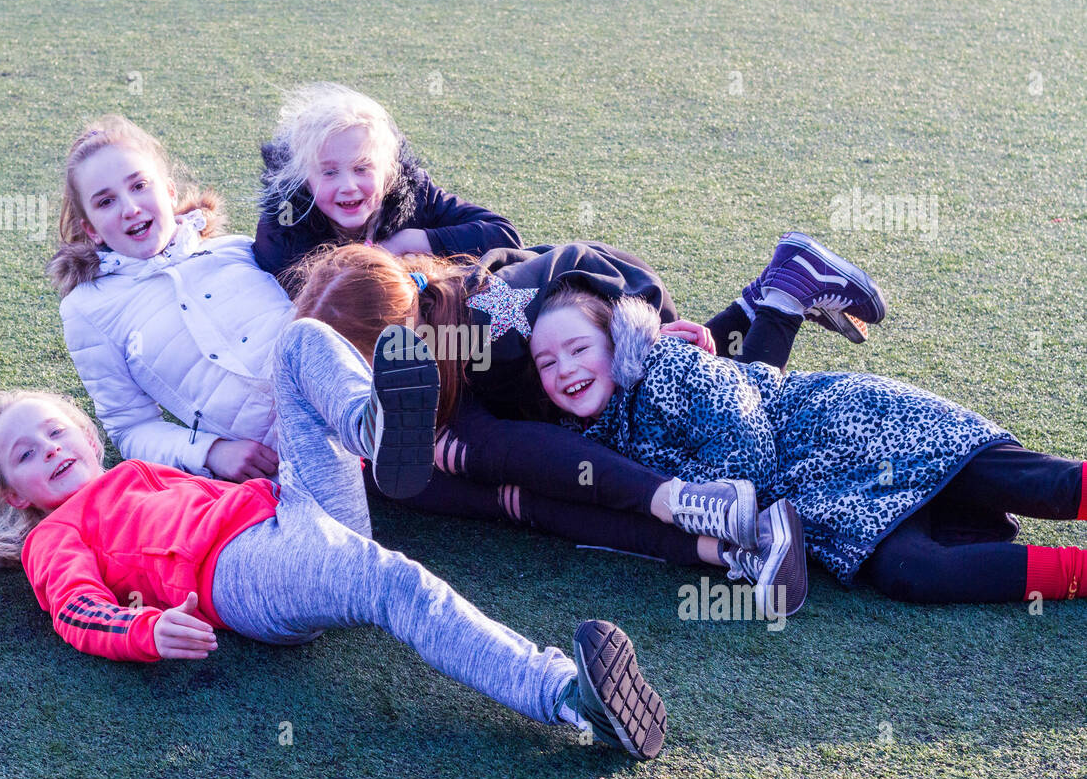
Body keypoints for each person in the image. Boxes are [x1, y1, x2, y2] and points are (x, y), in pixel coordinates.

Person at [0, 322, 670, 760]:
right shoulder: (54, 535)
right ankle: (569, 697)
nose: (49, 450)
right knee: (396, 584)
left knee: (298, 344)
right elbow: (77, 610)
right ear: (14, 493)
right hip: (244, 572)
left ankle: (374, 430)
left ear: (85, 435)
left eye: (54, 431)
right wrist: (143, 627)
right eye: (26, 456)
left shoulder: (137, 470)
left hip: (292, 513)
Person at [291, 236, 881, 606]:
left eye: (357, 364)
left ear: (402, 340)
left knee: (729, 420)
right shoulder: (433, 345)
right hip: (581, 379)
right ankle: (757, 304)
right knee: (497, 472)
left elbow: (572, 264)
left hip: (612, 322)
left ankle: (784, 293)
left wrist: (635, 321)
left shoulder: (489, 333)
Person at [528, 284, 1087, 605]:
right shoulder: (589, 444)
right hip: (833, 503)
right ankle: (1078, 574)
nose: (566, 370)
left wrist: (704, 506)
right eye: (546, 362)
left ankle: (788, 288)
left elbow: (747, 442)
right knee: (911, 574)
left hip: (852, 426)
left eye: (579, 349)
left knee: (1040, 485)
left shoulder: (664, 365)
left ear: (613, 342)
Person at [47, 114, 291, 483]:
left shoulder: (238, 250)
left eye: (140, 185)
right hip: (283, 457)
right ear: (91, 230)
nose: (130, 207)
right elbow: (131, 427)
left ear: (170, 192)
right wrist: (211, 451)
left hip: (340, 392)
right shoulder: (88, 310)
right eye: (106, 202)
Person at [253, 82, 522, 281]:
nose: (348, 185)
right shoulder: (283, 226)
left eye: (362, 168)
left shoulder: (416, 195)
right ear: (304, 180)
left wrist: (410, 242)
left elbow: (505, 236)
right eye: (329, 172)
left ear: (389, 171)